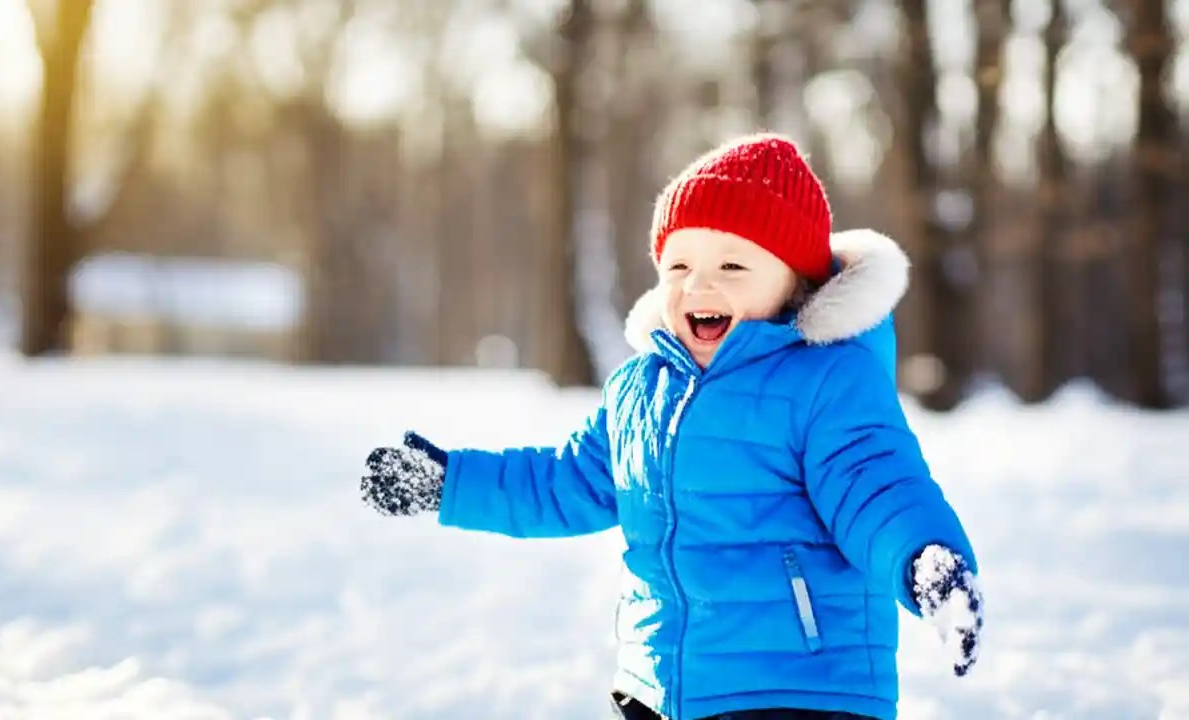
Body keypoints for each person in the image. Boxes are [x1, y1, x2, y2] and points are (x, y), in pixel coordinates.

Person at [359, 133, 983, 720]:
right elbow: (564, 481)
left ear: (797, 283)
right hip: (662, 687)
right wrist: (449, 483)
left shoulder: (825, 383)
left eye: (733, 267)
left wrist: (925, 562)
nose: (699, 284)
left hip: (798, 690)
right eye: (679, 266)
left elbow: (875, 489)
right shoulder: (640, 391)